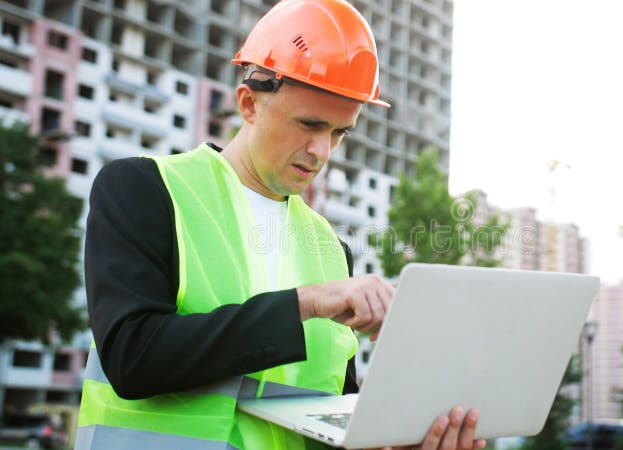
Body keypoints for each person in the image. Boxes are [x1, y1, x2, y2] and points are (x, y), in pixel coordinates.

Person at [75, 0, 485, 449]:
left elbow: (331, 412)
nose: (322, 151)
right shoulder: (146, 189)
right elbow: (133, 359)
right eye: (309, 124)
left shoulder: (330, 249)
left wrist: (390, 442)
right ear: (249, 103)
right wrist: (305, 303)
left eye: (338, 132)